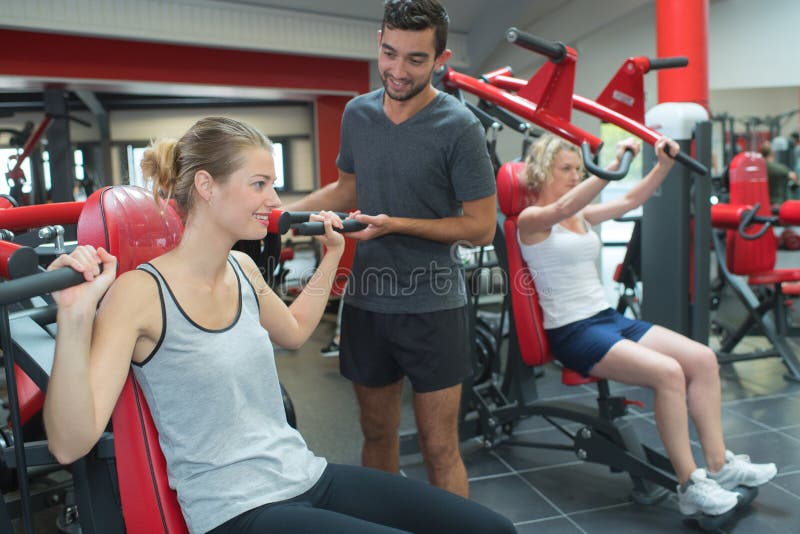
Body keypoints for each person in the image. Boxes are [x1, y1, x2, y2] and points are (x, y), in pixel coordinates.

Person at [42, 117, 515, 534]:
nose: (273, 200)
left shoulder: (242, 271)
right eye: (259, 184)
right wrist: (75, 314)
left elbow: (292, 331)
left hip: (301, 474)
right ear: (206, 186)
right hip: (237, 510)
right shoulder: (139, 294)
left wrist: (332, 256)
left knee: (491, 527)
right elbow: (69, 443)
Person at [288, 0, 496, 498]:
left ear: (440, 60)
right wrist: (282, 216)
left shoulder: (460, 127)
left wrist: (395, 224)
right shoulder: (358, 114)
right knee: (376, 436)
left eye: (415, 59)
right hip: (368, 305)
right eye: (389, 53)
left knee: (438, 447)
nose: (397, 70)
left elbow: (482, 227)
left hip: (434, 307)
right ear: (379, 42)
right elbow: (345, 191)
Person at [516, 133, 777, 517]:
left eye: (577, 168)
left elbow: (631, 200)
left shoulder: (579, 216)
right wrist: (610, 166)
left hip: (607, 319)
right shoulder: (532, 220)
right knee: (669, 373)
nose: (574, 176)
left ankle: (720, 465)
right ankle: (690, 486)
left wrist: (663, 165)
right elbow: (566, 204)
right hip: (574, 332)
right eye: (566, 169)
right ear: (541, 173)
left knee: (703, 359)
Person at [759, 140, 799, 205]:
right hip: (778, 204)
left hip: (763, 204)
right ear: (772, 153)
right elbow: (794, 178)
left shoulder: (758, 168)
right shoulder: (780, 169)